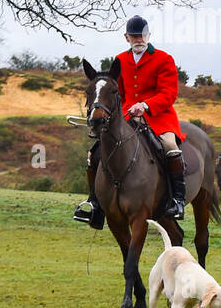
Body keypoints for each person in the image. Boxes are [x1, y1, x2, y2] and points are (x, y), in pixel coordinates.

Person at [73, 16, 186, 228]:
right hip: (126, 116)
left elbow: (169, 93)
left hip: (159, 117)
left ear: (148, 36)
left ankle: (177, 201)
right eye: (134, 36)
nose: (139, 39)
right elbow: (118, 94)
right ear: (127, 37)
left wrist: (144, 106)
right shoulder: (120, 60)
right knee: (95, 152)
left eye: (142, 35)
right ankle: (94, 203)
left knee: (170, 147)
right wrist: (125, 112)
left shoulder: (164, 59)